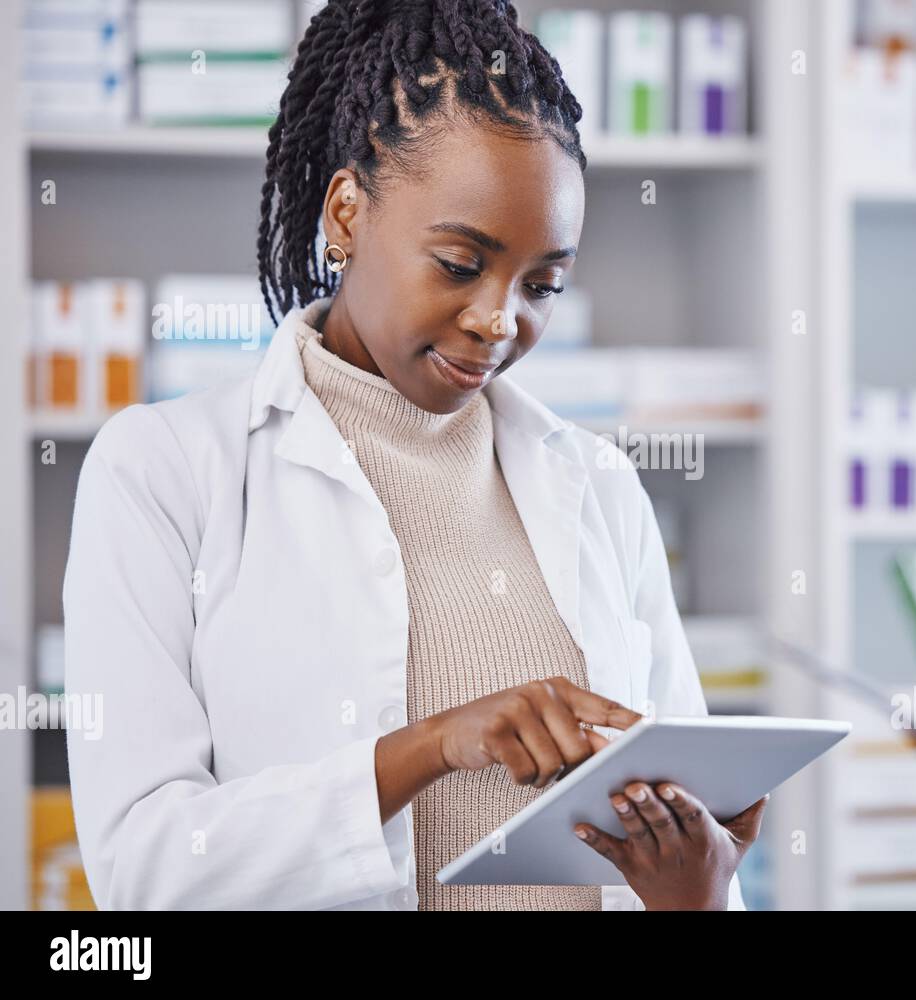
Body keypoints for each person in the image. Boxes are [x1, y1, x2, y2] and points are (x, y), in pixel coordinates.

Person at [62, 0, 763, 911]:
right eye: (461, 263)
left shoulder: (596, 484)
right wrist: (431, 747)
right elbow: (143, 868)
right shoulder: (161, 472)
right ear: (347, 213)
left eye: (543, 283)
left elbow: (682, 843)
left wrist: (697, 890)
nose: (499, 320)